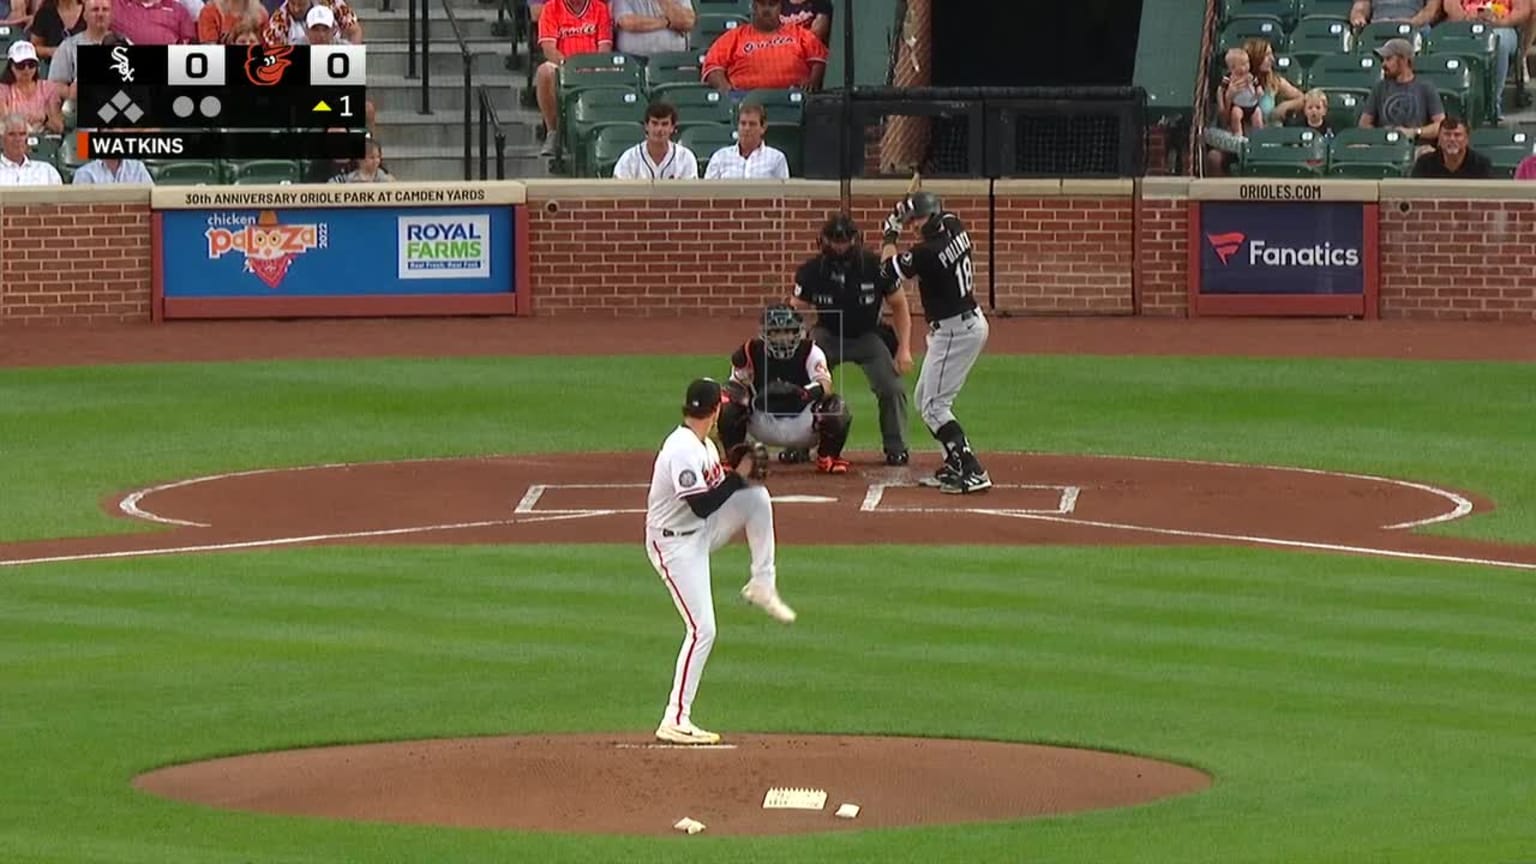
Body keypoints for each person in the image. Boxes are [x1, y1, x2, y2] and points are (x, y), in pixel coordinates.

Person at [646, 377, 795, 746]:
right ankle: (675, 719)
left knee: (758, 499)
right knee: (703, 630)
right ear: (714, 411)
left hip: (699, 532)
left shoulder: (705, 445)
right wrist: (738, 476)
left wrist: (742, 480)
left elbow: (718, 496)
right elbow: (703, 503)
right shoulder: (681, 449)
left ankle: (762, 582)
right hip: (674, 546)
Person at [879, 191, 991, 494]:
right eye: (913, 220)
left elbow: (886, 272)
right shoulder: (954, 224)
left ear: (931, 216)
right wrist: (909, 209)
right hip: (960, 325)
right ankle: (954, 464)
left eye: (919, 219)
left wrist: (891, 231)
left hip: (957, 332)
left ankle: (971, 469)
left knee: (934, 407)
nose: (914, 225)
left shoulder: (926, 253)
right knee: (923, 399)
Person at [789, 212, 913, 466]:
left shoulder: (876, 267)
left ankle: (896, 446)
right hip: (828, 334)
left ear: (856, 239)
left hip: (867, 335)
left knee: (892, 388)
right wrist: (796, 348)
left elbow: (900, 306)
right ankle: (798, 444)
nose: (840, 246)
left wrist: (904, 349)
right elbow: (795, 309)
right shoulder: (811, 271)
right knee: (801, 383)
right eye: (835, 240)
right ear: (823, 241)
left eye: (845, 240)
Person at [718, 304, 853, 473]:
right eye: (776, 332)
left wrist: (801, 394)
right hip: (762, 421)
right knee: (727, 406)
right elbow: (734, 386)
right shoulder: (749, 352)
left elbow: (825, 387)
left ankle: (827, 456)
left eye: (788, 331)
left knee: (837, 407)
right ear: (765, 333)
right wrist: (752, 399)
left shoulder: (811, 351)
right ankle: (734, 458)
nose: (783, 338)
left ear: (797, 332)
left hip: (804, 424)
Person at [701, 0, 826, 95]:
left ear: (780, 8)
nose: (767, 9)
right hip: (745, 100)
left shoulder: (800, 34)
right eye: (762, 4)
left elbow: (820, 59)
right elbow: (712, 66)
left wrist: (813, 80)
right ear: (754, 7)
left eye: (772, 4)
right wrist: (726, 90)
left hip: (792, 97)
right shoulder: (734, 36)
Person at [1442, 0, 1529, 123]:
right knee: (1447, 39)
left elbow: (1523, 10)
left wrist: (1500, 22)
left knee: (1499, 41)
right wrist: (1466, 18)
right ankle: (1454, 104)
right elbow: (1450, 5)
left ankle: (1492, 104)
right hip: (1465, 26)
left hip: (1502, 27)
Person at [1360, 38, 1446, 152]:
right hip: (1383, 146)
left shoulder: (1425, 87)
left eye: (1388, 59)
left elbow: (1440, 125)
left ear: (1403, 60)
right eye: (1383, 60)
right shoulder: (1379, 88)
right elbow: (1364, 124)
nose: (1383, 64)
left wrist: (1414, 132)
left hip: (1416, 147)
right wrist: (1381, 134)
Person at [612, 100, 699, 179]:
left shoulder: (685, 157)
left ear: (672, 128)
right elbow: (617, 193)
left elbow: (692, 194)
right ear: (646, 126)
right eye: (654, 123)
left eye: (664, 124)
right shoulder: (629, 158)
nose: (659, 129)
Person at [702, 102, 789, 178]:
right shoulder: (720, 157)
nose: (747, 128)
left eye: (752, 124)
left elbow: (784, 193)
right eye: (743, 124)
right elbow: (707, 192)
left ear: (763, 128)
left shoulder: (776, 159)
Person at [0, 40, 63, 133]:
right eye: (20, 65)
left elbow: (58, 126)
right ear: (11, 66)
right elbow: (4, 120)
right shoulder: (3, 89)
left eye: (31, 64)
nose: (26, 69)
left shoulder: (48, 88)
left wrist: (46, 121)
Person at [1411, 115, 1492, 176]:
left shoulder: (1481, 165)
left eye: (1457, 135)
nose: (1452, 139)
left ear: (1466, 139)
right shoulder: (1424, 163)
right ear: (1439, 138)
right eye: (1447, 134)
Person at [0, 111, 62, 184]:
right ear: (1, 139)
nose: (18, 139)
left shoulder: (47, 171)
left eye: (22, 134)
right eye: (11, 134)